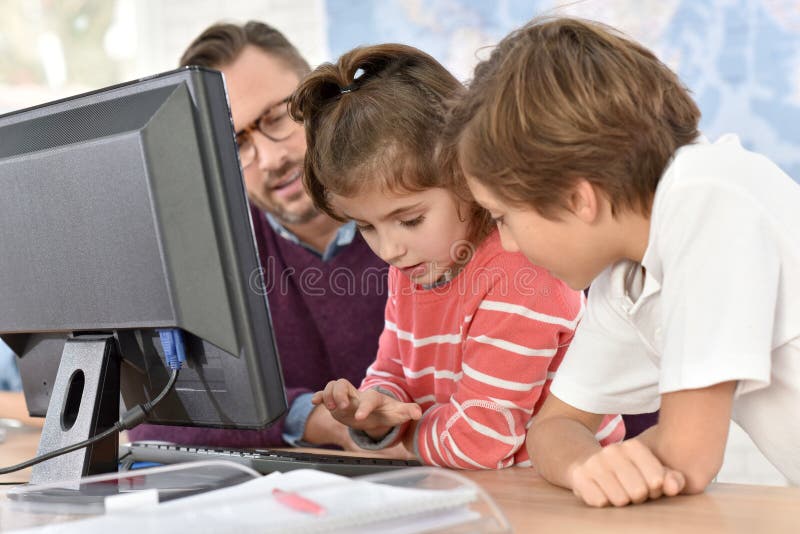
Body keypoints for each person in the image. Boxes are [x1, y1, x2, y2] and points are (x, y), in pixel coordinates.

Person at [445, 16, 800, 503]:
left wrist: (626, 462)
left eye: (502, 217)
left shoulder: (709, 198)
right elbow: (553, 428)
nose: (505, 244)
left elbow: (689, 456)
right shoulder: (629, 275)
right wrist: (587, 465)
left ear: (577, 200)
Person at [288, 43, 625, 468]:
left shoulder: (523, 276)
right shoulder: (416, 267)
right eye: (366, 227)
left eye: (410, 220)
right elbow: (394, 371)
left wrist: (403, 438)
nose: (389, 250)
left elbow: (480, 443)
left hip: (560, 488)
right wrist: (374, 412)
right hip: (474, 483)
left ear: (466, 177)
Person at [129, 22, 389, 451]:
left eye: (277, 116)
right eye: (235, 141)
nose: (270, 159)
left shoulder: (416, 203)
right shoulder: (206, 249)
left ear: (321, 95)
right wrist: (313, 420)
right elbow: (152, 420)